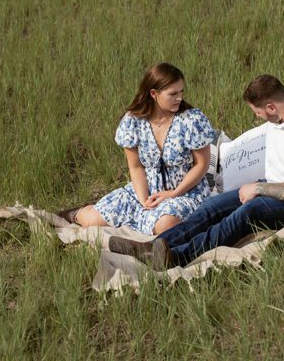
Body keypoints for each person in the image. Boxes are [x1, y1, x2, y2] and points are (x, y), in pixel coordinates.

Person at [109, 74, 284, 268]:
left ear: (271, 107)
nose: (257, 117)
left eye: (257, 112)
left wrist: (259, 188)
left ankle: (176, 256)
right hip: (275, 184)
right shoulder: (283, 108)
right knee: (212, 207)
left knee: (247, 213)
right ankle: (153, 247)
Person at [59, 63, 215, 236]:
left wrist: (173, 193)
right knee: (93, 220)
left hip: (185, 192)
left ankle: (155, 227)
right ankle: (75, 213)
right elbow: (136, 166)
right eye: (173, 94)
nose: (179, 98)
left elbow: (202, 164)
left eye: (181, 91)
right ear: (153, 94)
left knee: (166, 224)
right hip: (145, 190)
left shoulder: (192, 120)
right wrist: (144, 201)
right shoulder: (133, 121)